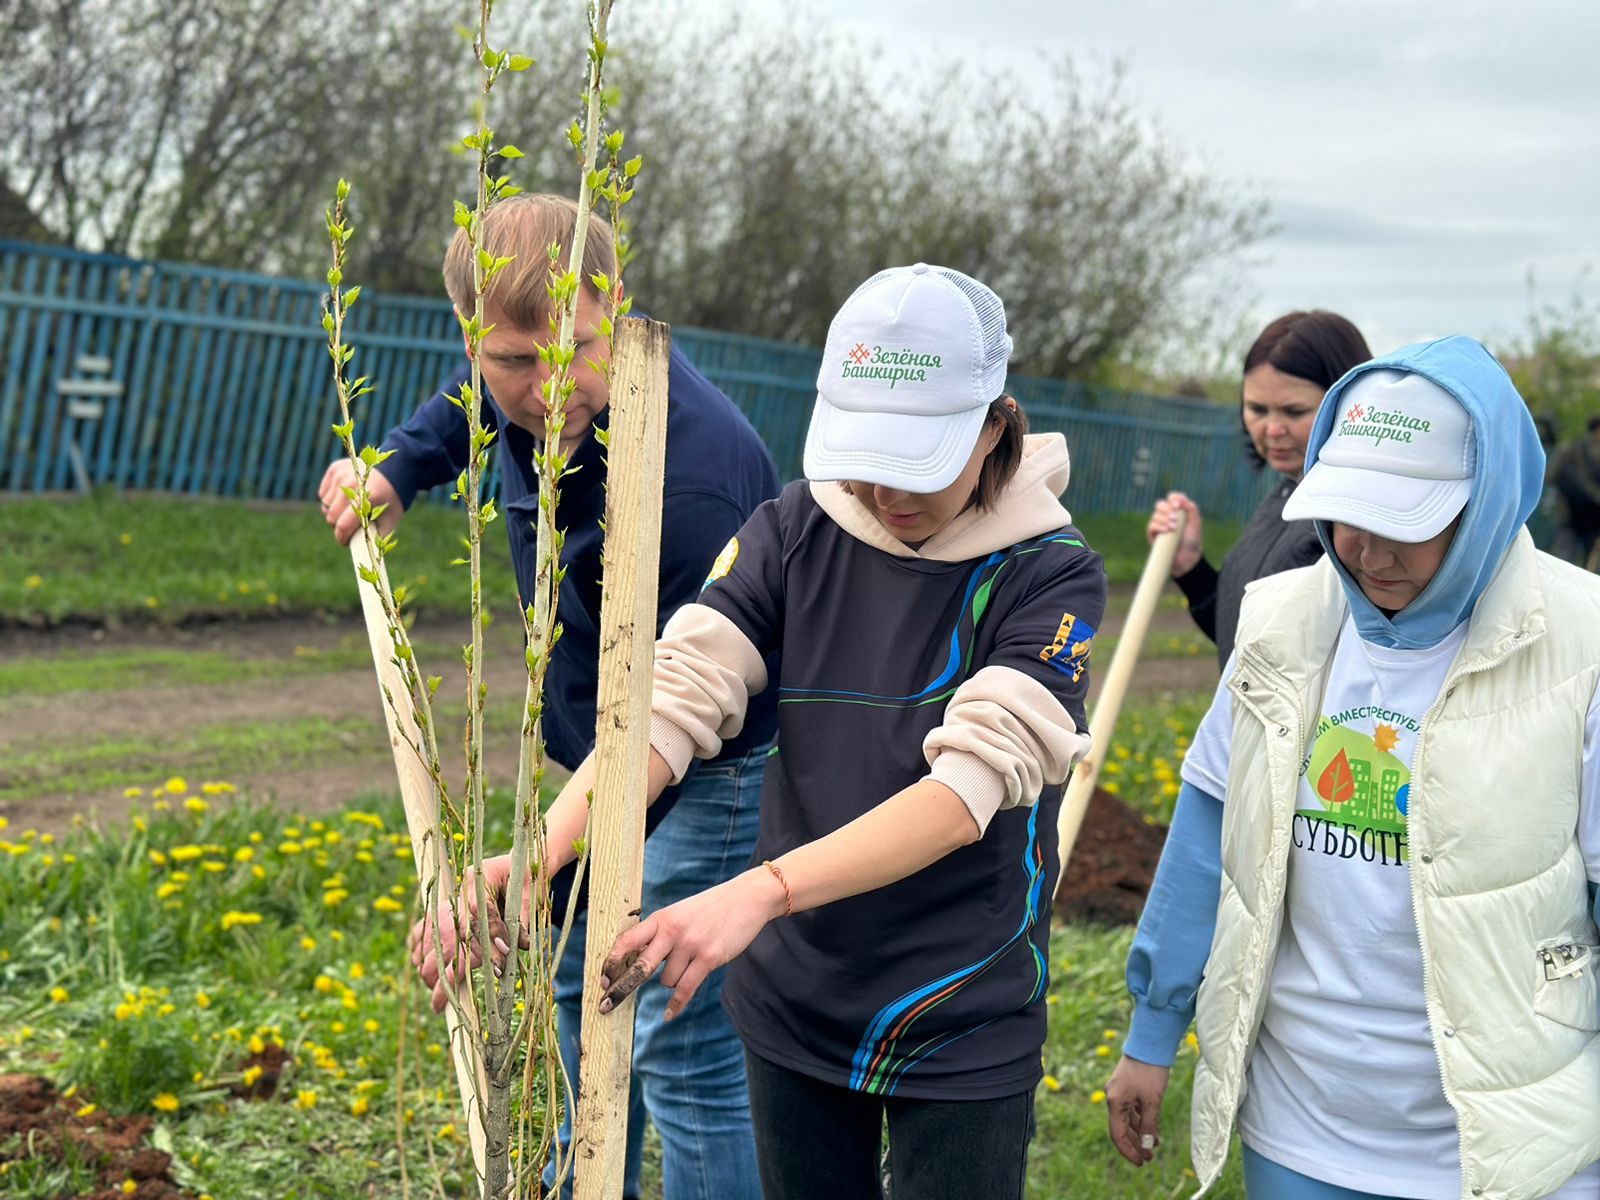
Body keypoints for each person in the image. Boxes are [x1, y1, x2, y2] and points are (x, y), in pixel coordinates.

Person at [418, 263, 1108, 1199]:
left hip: (960, 1007)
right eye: (865, 456)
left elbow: (963, 796)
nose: (883, 491)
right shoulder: (794, 529)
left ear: (993, 426)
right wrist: (537, 855)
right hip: (795, 1002)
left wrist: (766, 887)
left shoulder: (1048, 576)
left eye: (919, 462)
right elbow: (669, 704)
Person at [322, 194, 780, 1200]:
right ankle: (584, 1182)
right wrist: (392, 470)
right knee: (579, 994)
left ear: (614, 304)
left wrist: (542, 853)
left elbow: (679, 709)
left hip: (711, 764)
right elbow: (463, 411)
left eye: (572, 351)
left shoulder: (689, 480)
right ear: (474, 339)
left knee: (675, 1034)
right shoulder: (527, 381)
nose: (545, 390)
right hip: (599, 750)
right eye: (512, 363)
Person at [1107, 336, 1600, 1198]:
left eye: (1404, 526)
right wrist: (1152, 1034)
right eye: (1347, 517)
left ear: (1486, 504)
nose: (1366, 554)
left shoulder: (1580, 643)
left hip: (1506, 1143)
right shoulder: (1281, 621)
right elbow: (1205, 837)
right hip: (1302, 1131)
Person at [1148, 311, 1372, 668]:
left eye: (1294, 411)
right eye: (1256, 409)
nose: (1271, 429)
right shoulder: (1284, 495)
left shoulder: (1356, 521)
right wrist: (1192, 569)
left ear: (1352, 405)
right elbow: (1245, 642)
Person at [1549, 415, 1600, 570]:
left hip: (1569, 512)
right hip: (1591, 517)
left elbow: (1551, 475)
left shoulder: (1571, 447)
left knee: (1562, 557)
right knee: (1585, 565)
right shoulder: (1576, 449)